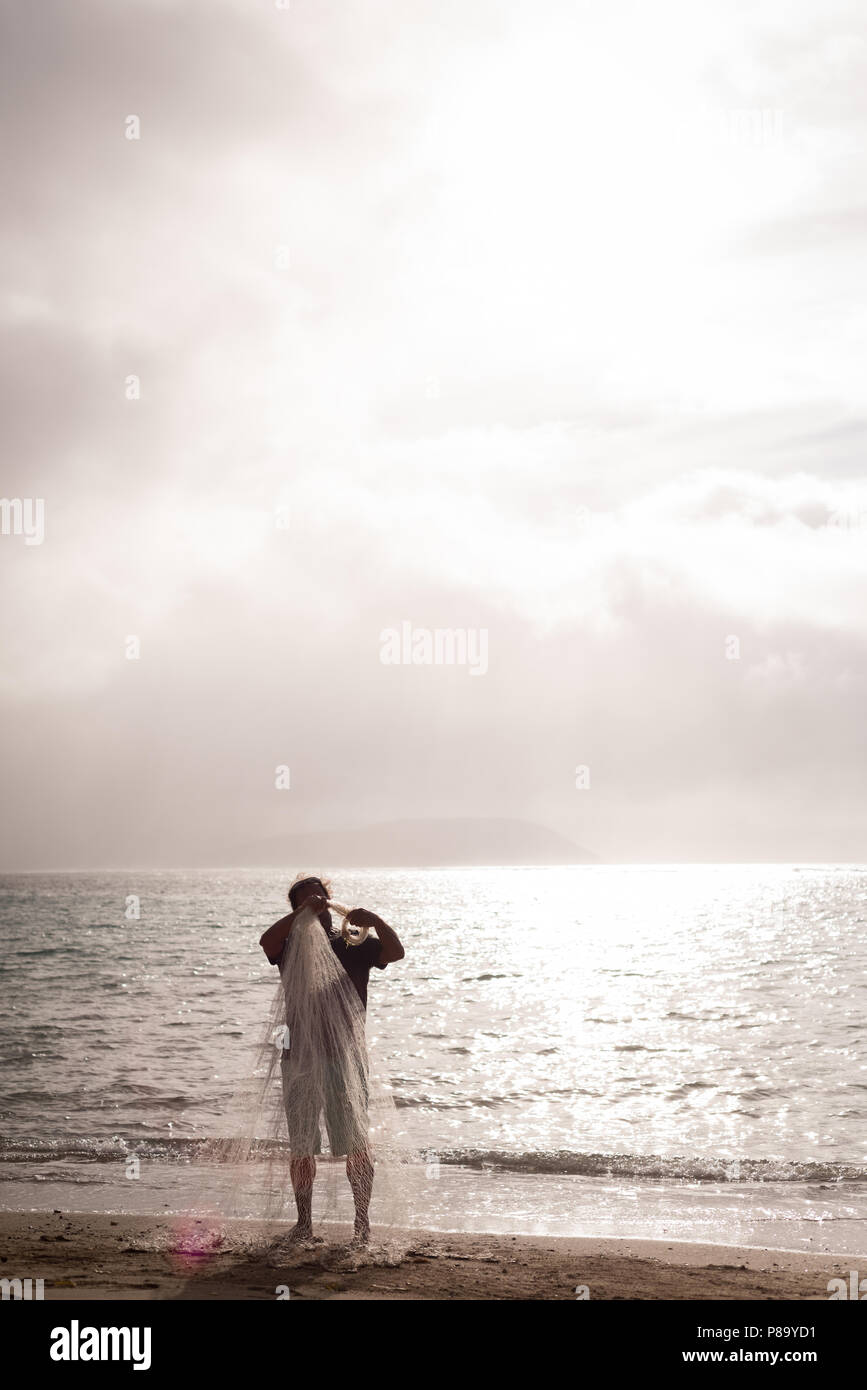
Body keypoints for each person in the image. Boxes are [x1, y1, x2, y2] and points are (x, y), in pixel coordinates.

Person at [259, 873, 405, 1243]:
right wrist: (300, 915)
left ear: (330, 901)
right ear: (297, 911)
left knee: (355, 1144)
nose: (316, 905)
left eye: (320, 898)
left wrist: (374, 921)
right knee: (302, 1147)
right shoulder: (291, 946)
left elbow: (396, 952)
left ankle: (361, 1223)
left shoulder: (354, 944)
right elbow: (266, 940)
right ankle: (304, 1224)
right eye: (305, 901)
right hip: (300, 1058)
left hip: (345, 1057)